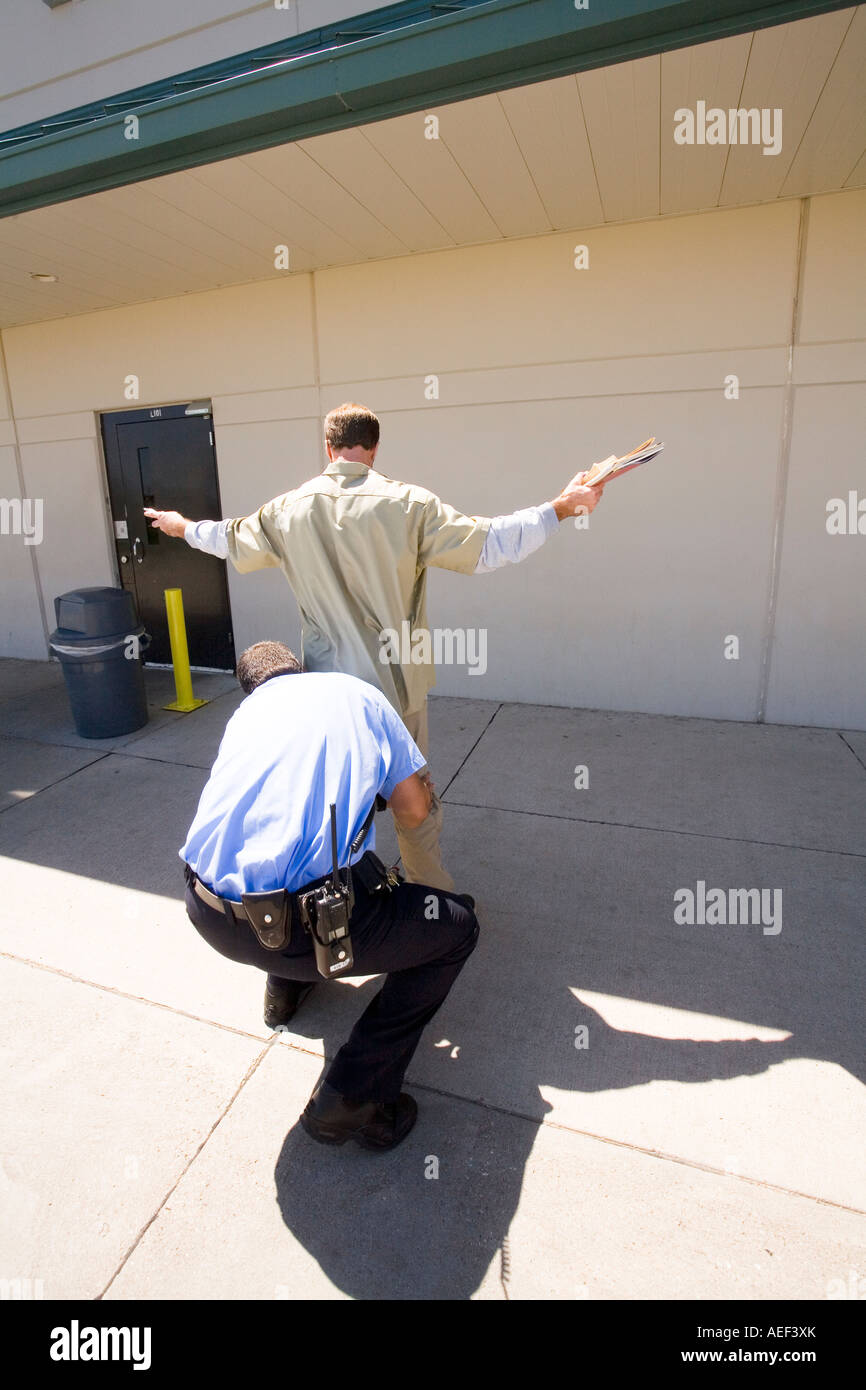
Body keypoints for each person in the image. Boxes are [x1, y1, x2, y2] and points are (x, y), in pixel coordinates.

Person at [147, 402, 606, 893]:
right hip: (397, 694)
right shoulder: (410, 505)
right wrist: (561, 506)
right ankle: (432, 900)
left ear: (328, 448)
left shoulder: (285, 510)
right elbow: (490, 544)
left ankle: (323, 903)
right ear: (375, 447)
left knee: (333, 803)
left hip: (329, 698)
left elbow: (223, 537)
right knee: (415, 804)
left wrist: (179, 526)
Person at [181, 639, 479, 1152]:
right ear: (299, 670)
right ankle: (351, 1097)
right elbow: (411, 811)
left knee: (299, 861)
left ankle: (285, 992)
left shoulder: (245, 718)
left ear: (251, 688)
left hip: (205, 908)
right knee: (456, 930)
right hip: (304, 926)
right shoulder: (356, 694)